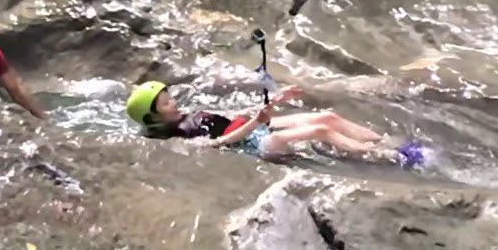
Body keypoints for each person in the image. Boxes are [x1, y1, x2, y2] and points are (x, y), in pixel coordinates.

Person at [124, 80, 392, 160]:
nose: (174, 102)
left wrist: (276, 101)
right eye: (166, 103)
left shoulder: (190, 115)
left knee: (327, 116)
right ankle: (385, 155)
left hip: (254, 128)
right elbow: (218, 144)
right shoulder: (180, 136)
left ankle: (380, 141)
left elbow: (232, 118)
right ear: (154, 116)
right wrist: (255, 123)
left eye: (169, 97)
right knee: (320, 130)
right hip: (254, 145)